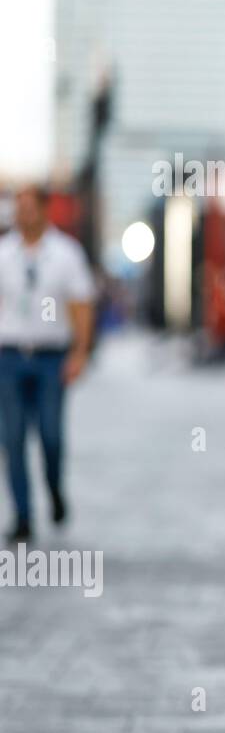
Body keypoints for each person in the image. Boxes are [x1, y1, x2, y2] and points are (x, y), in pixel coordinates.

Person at [0, 185, 96, 544]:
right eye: (18, 207)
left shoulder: (66, 254)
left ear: (44, 209)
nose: (23, 214)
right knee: (11, 438)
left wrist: (80, 352)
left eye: (29, 207)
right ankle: (23, 515)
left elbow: (82, 305)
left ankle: (54, 490)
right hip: (9, 355)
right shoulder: (4, 252)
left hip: (50, 357)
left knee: (51, 435)